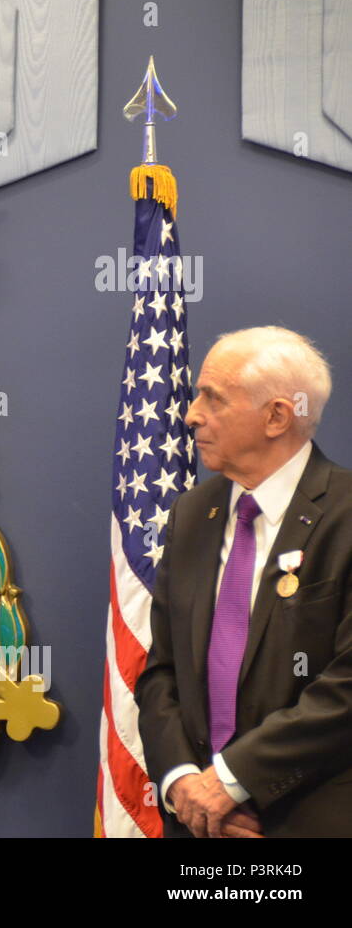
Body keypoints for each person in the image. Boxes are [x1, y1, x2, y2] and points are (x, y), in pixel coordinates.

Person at [136, 326, 352, 838]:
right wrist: (184, 782)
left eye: (213, 397)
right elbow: (161, 671)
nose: (191, 414)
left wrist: (233, 781)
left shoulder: (345, 513)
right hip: (200, 823)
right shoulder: (192, 513)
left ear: (277, 415)